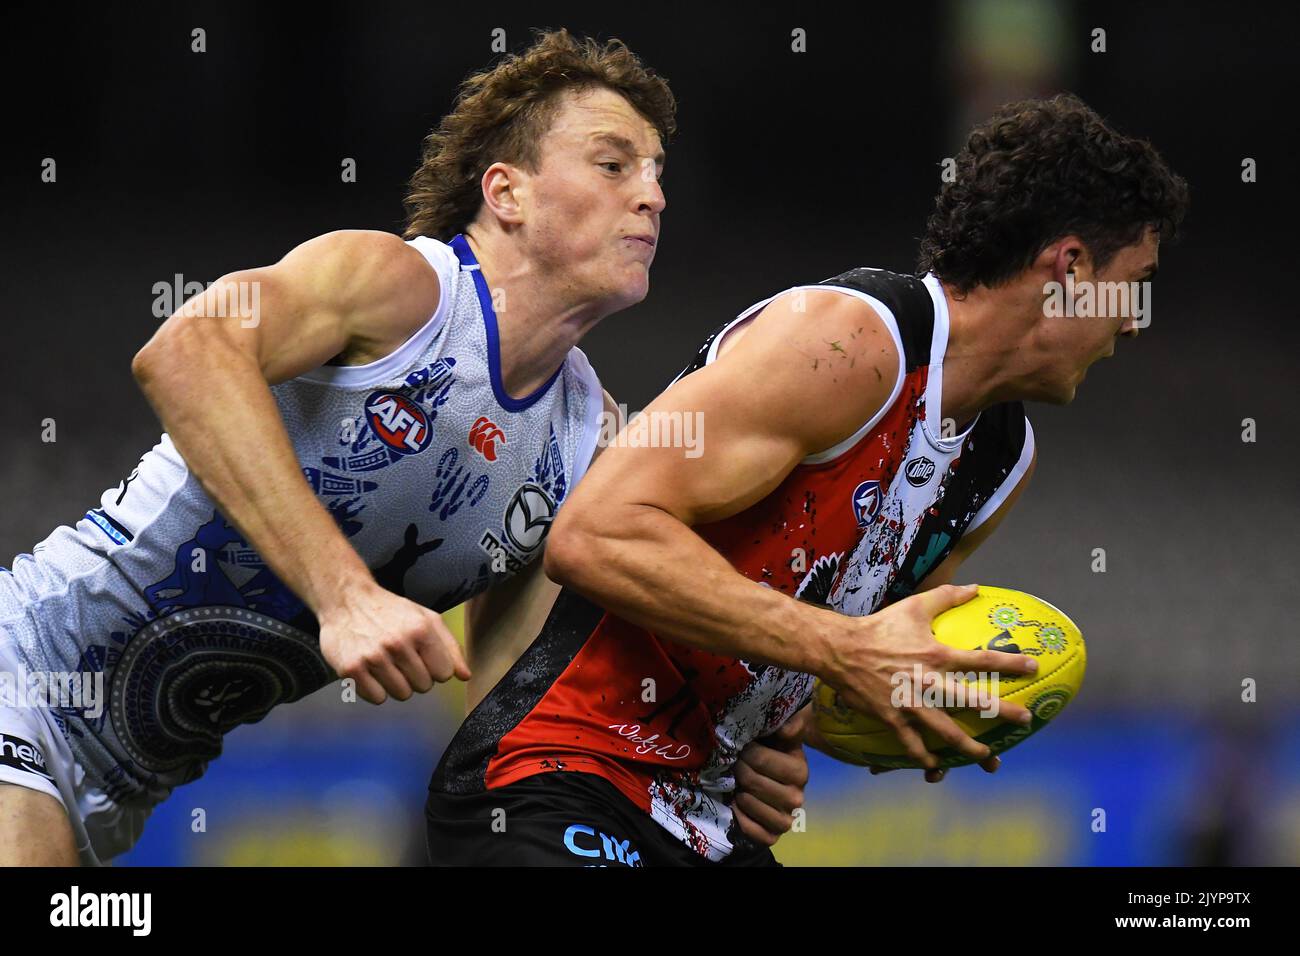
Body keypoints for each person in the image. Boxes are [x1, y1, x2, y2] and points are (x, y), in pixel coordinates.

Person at [0, 29, 805, 866]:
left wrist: (719, 758)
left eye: (657, 173)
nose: (653, 196)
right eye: (614, 164)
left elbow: (510, 717)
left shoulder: (585, 445)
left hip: (124, 798)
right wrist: (345, 594)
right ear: (507, 192)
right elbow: (183, 351)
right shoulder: (397, 287)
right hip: (21, 675)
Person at [424, 93, 1190, 866]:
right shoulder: (847, 341)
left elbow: (845, 671)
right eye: (1136, 284)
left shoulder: (999, 462)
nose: (1133, 321)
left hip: (710, 820)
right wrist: (840, 651)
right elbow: (594, 535)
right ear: (1070, 265)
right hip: (561, 777)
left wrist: (804, 733)